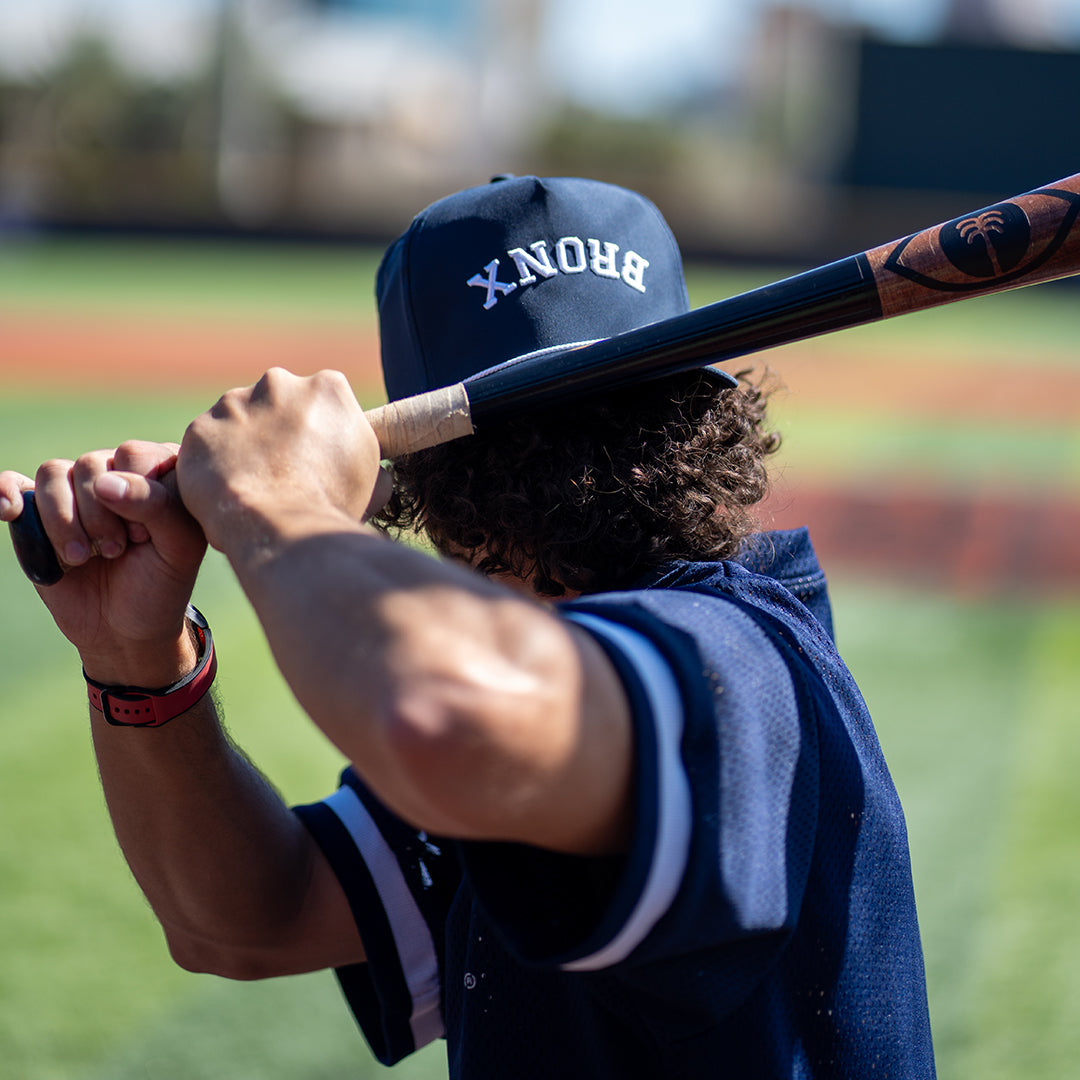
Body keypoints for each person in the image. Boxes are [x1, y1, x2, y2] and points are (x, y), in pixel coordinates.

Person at [0, 176, 935, 1077]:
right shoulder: (546, 672)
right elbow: (247, 918)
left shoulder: (734, 657)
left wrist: (279, 509)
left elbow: (443, 719)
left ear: (429, 489)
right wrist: (135, 662)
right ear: (704, 413)